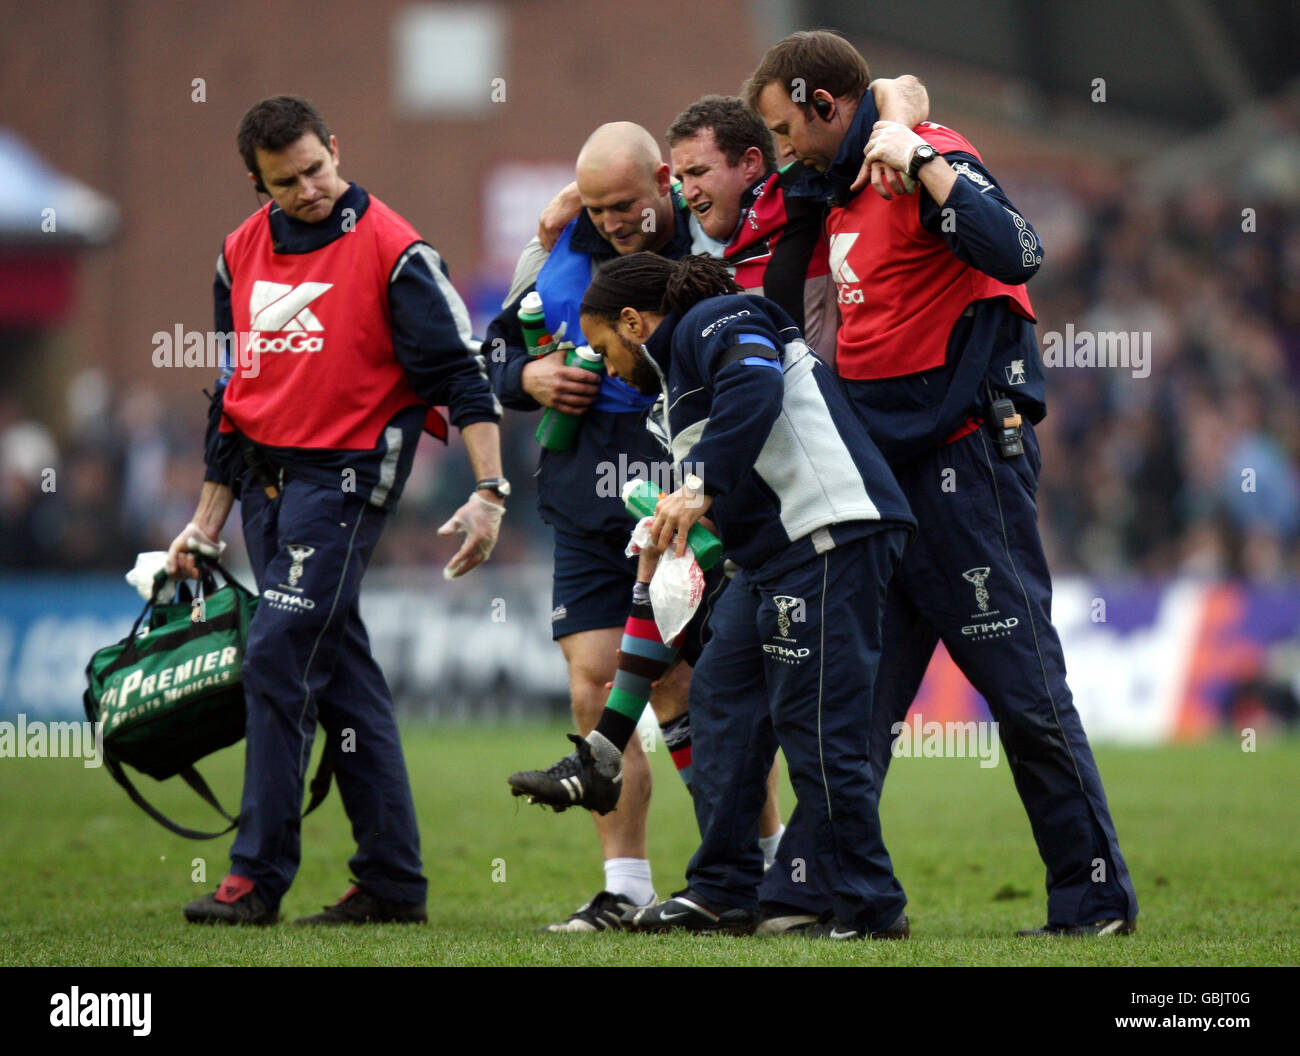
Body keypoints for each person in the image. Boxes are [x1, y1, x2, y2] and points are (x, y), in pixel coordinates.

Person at [747, 31, 1139, 936]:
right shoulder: (835, 187)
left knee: (1023, 691)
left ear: (822, 103)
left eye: (785, 128)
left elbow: (1022, 250)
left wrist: (920, 153)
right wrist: (890, 116)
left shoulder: (924, 161)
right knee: (855, 698)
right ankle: (810, 890)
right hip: (880, 475)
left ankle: (1094, 903)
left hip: (965, 468)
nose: (782, 149)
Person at [172, 95, 506, 926]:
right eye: (286, 182)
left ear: (336, 147)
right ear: (259, 184)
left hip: (346, 483)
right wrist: (205, 521)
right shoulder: (236, 257)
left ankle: (254, 879)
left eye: (318, 169)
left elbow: (464, 378)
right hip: (261, 483)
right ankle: (392, 882)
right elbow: (231, 400)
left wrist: (490, 492)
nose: (310, 189)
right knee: (340, 670)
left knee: (279, 655)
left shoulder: (396, 252)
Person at [571, 252, 916, 938]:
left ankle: (870, 908)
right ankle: (722, 890)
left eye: (606, 347)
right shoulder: (674, 392)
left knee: (818, 731)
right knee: (719, 704)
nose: (607, 368)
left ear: (635, 322)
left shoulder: (715, 317)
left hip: (828, 535)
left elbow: (756, 384)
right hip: (767, 562)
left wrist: (697, 482)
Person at [487, 122, 721, 932]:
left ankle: (758, 868)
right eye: (596, 206)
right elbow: (490, 355)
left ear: (662, 180)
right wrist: (532, 374)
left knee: (686, 683)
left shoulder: (712, 226)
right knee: (594, 681)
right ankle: (626, 888)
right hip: (588, 492)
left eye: (625, 204)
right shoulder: (555, 246)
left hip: (686, 481)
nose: (613, 221)